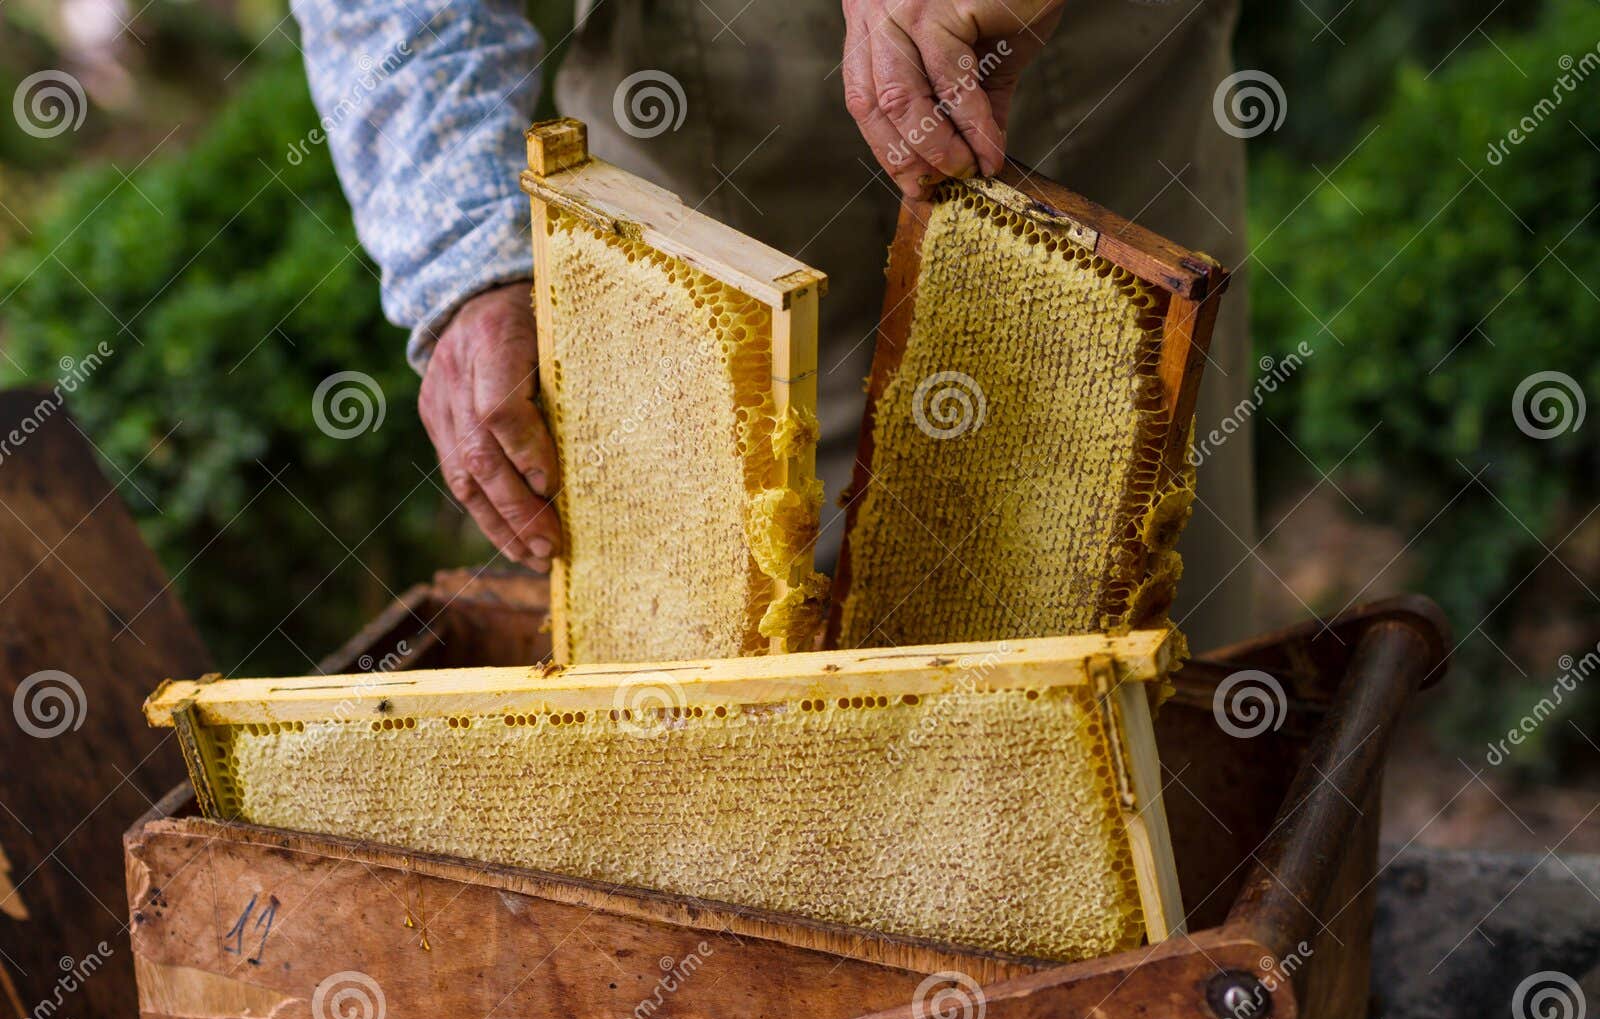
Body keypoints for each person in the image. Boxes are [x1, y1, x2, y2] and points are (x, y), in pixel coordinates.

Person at [291, 0, 1254, 651]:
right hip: (691, 136)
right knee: (695, 728)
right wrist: (467, 257)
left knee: (1136, 656)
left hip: (1073, 87)